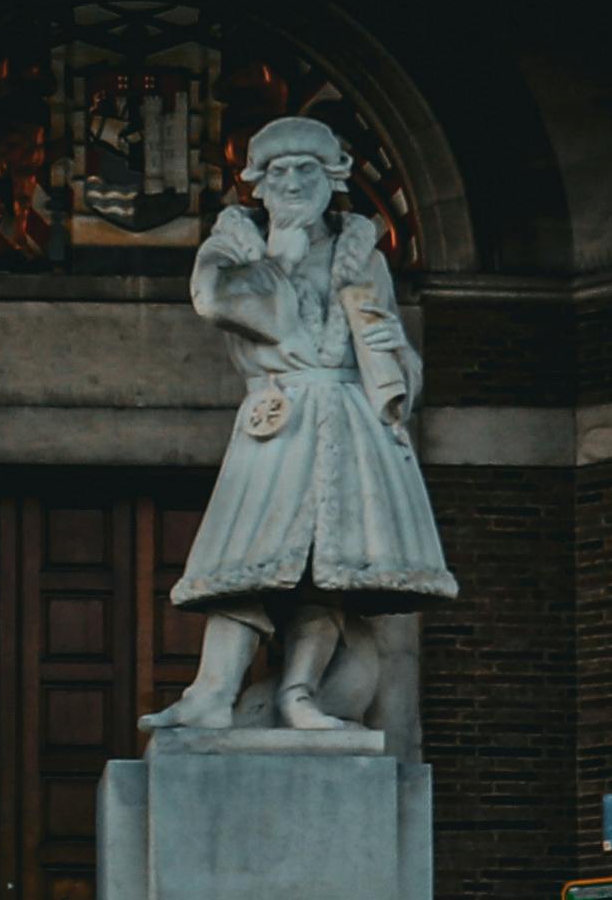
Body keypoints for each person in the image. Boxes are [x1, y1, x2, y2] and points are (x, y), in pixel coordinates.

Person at [146, 117, 455, 732]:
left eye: (306, 170)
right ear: (257, 183)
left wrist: (398, 355)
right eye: (278, 171)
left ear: (332, 178)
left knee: (326, 569)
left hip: (349, 419)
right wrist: (278, 261)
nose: (292, 181)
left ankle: (299, 695)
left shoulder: (362, 252)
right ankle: (211, 694)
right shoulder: (237, 239)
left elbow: (391, 361)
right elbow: (214, 298)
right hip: (279, 418)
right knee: (247, 562)